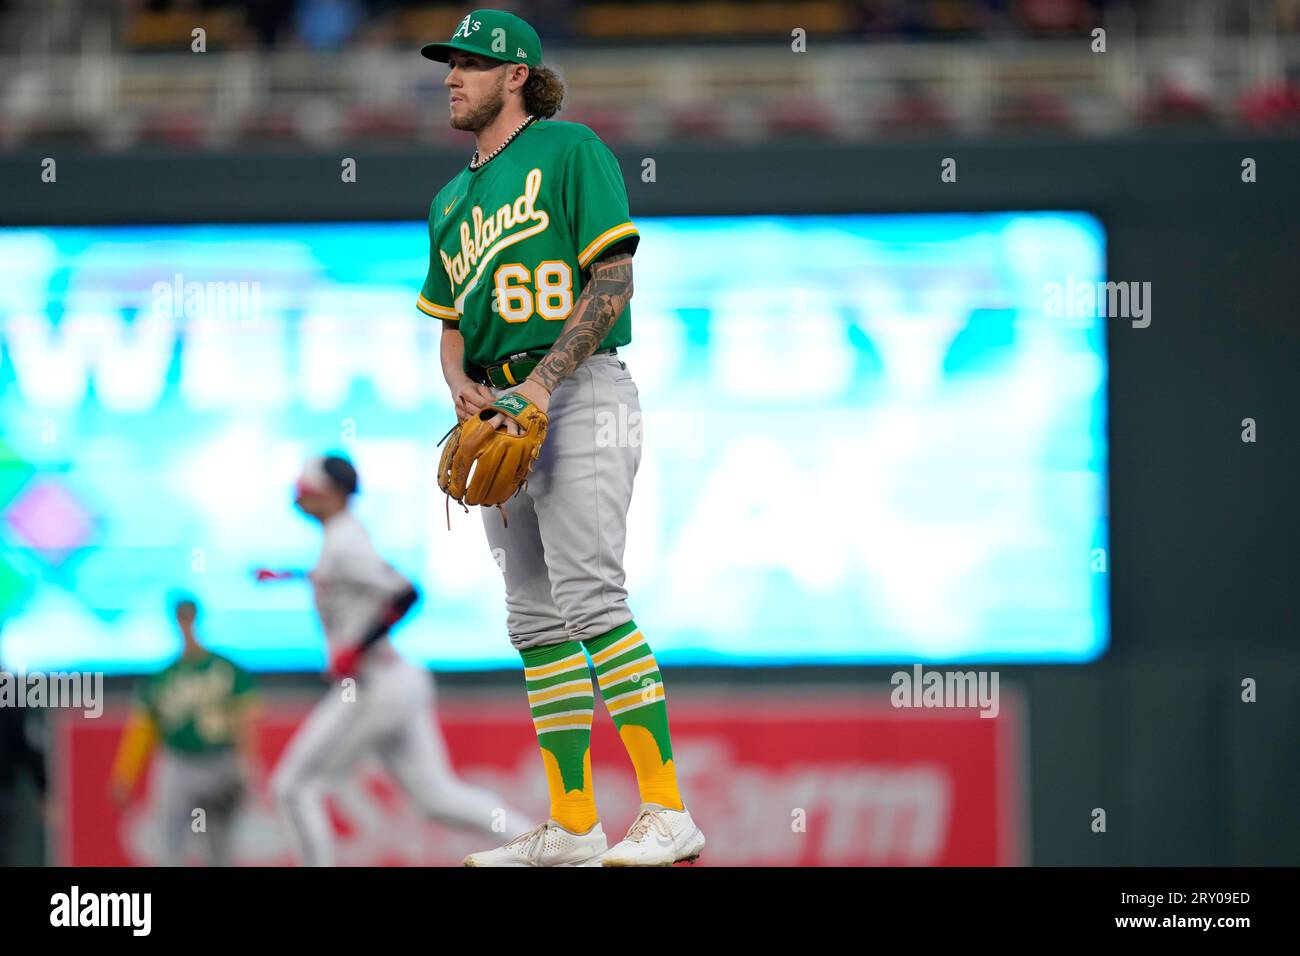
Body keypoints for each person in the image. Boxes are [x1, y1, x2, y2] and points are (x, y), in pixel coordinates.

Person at [419, 9, 705, 866]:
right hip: (499, 406)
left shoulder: (571, 150)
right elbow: (448, 323)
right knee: (534, 621)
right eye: (449, 64)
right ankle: (575, 825)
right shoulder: (448, 201)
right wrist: (462, 387)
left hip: (580, 391)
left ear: (515, 75)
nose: (450, 77)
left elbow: (613, 279)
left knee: (591, 600)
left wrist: (541, 385)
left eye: (469, 63)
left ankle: (666, 811)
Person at [263, 454, 532, 866]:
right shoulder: (342, 536)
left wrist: (357, 646)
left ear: (329, 493)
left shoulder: (344, 540)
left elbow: (405, 592)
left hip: (373, 686)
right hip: (395, 681)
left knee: (294, 786)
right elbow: (351, 578)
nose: (301, 495)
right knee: (437, 797)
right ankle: (535, 844)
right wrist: (290, 575)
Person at [109, 597, 259, 866]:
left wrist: (245, 767)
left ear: (196, 619)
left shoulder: (226, 668)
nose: (185, 623)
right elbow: (143, 730)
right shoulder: (162, 677)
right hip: (177, 762)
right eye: (181, 617)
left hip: (219, 761)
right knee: (169, 845)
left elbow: (245, 721)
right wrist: (124, 774)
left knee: (220, 846)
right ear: (176, 621)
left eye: (189, 617)